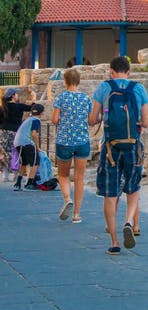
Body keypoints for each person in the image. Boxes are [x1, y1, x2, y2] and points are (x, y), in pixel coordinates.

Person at [91, 56, 148, 254]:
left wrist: (101, 117)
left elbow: (92, 119)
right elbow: (147, 121)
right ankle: (128, 222)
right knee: (133, 189)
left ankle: (114, 242)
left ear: (111, 70)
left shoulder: (104, 87)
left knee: (110, 193)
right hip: (133, 145)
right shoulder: (138, 88)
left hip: (110, 147)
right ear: (129, 71)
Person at [52, 68, 94, 223]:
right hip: (82, 141)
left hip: (64, 141)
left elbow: (55, 120)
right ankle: (76, 214)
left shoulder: (61, 98)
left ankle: (67, 198)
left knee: (63, 175)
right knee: (79, 177)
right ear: (79, 81)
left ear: (65, 81)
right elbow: (91, 121)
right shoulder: (86, 98)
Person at [0, 87, 44, 182]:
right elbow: (32, 108)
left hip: (3, 133)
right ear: (13, 96)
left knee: (4, 153)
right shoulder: (18, 106)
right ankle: (16, 175)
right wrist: (34, 97)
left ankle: (5, 175)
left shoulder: (2, 108)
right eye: (16, 94)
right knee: (17, 153)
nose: (17, 96)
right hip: (15, 132)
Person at [13, 103, 45, 190]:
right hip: (26, 142)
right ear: (41, 113)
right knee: (36, 162)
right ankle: (29, 183)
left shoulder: (28, 119)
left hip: (17, 142)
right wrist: (37, 146)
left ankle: (18, 183)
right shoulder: (36, 120)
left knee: (24, 162)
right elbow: (34, 133)